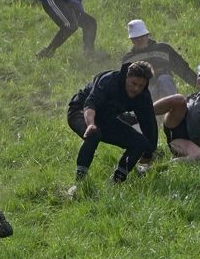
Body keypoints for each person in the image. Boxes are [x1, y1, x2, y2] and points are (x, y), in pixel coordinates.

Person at [66, 61, 157, 190]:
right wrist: (91, 124)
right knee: (94, 133)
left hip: (106, 119)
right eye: (133, 83)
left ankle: (115, 183)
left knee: (140, 143)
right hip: (81, 111)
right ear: (126, 77)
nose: (136, 89)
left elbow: (149, 125)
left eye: (141, 85)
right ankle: (80, 183)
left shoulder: (143, 96)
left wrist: (149, 151)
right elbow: (90, 104)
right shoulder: (109, 80)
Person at [120, 19, 198, 100]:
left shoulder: (163, 49)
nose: (138, 40)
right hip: (144, 92)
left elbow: (182, 68)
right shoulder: (128, 59)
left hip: (165, 88)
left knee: (164, 80)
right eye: (135, 38)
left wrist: (198, 85)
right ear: (131, 39)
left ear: (147, 35)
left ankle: (172, 109)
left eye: (141, 36)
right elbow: (124, 83)